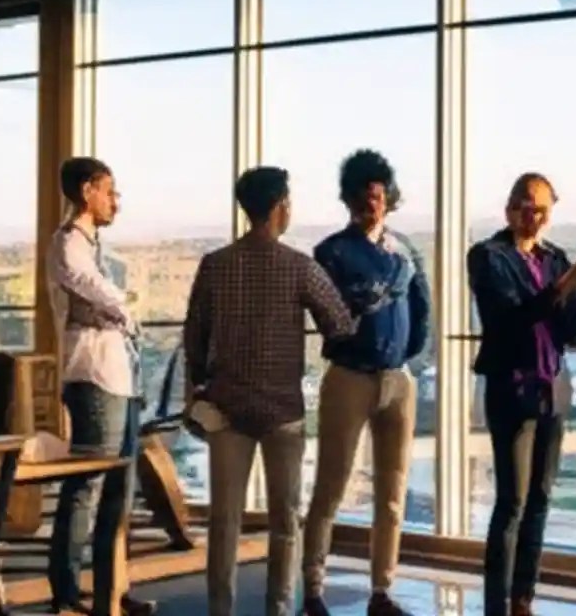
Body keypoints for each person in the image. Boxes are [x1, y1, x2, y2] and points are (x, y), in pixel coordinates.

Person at [183, 167, 355, 616]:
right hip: (283, 411)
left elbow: (195, 335)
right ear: (281, 205)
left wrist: (200, 386)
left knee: (225, 522)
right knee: (285, 522)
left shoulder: (215, 265)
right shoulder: (299, 266)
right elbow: (339, 324)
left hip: (226, 409)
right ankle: (279, 608)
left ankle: (221, 610)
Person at [467, 173, 576, 616]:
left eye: (544, 208)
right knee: (512, 501)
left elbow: (574, 324)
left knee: (542, 497)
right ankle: (497, 602)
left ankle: (523, 598)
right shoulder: (488, 256)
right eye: (528, 206)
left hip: (552, 388)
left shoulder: (553, 259)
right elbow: (510, 319)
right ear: (510, 208)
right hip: (512, 388)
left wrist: (567, 286)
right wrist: (567, 283)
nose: (536, 215)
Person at [302, 151, 431, 616]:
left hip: (397, 378)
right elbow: (341, 308)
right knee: (331, 488)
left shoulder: (407, 251)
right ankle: (314, 587)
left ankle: (382, 590)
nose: (371, 202)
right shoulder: (332, 252)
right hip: (350, 378)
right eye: (363, 194)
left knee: (392, 492)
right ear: (350, 199)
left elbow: (423, 310)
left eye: (378, 193)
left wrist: (406, 354)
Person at [46, 157, 155, 616]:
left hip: (119, 377)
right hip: (92, 375)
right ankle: (67, 591)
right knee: (87, 486)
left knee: (119, 489)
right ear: (88, 190)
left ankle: (112, 588)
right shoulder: (68, 243)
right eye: (110, 191)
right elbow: (95, 292)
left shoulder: (96, 248)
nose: (116, 201)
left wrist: (121, 310)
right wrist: (124, 307)